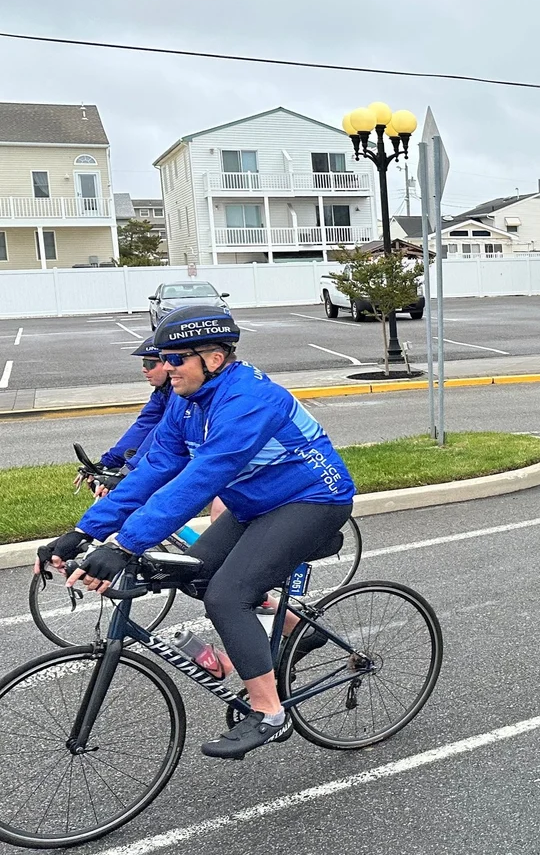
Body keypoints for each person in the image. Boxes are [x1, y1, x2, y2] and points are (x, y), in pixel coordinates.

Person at [39, 305, 356, 760]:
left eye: (174, 359)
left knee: (226, 596)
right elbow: (157, 468)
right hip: (255, 503)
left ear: (213, 358)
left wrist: (126, 544)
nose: (164, 368)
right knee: (197, 573)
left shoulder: (249, 399)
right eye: (162, 359)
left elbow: (202, 478)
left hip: (311, 500)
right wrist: (82, 533)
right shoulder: (186, 402)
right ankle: (300, 631)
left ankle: (269, 713)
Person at [97, 341, 172, 471]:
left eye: (150, 364)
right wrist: (108, 462)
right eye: (144, 364)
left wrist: (130, 468)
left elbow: (164, 432)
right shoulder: (162, 391)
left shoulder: (181, 394)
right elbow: (144, 425)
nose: (144, 369)